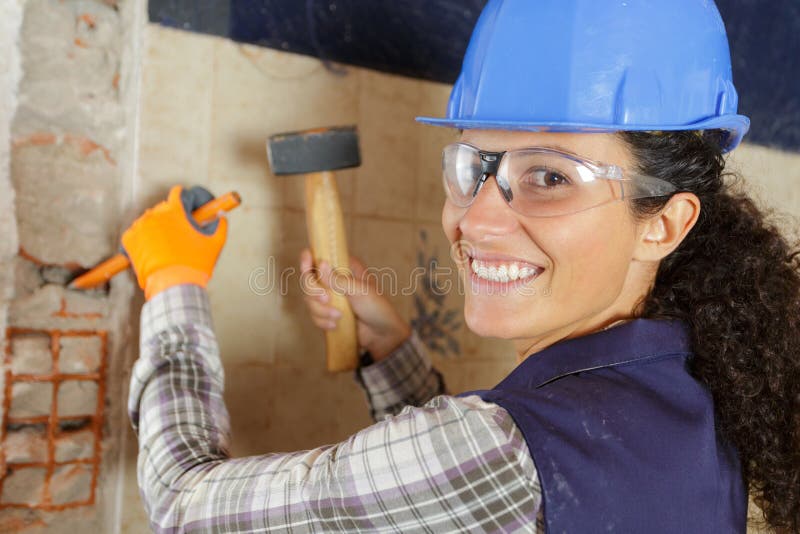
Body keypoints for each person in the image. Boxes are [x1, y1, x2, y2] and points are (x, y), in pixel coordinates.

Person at [125, 0, 800, 532]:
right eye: (474, 165)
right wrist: (391, 352)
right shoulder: (696, 382)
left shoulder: (503, 454)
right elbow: (488, 496)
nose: (474, 221)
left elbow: (185, 508)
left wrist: (172, 289)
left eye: (551, 177)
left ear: (664, 223)